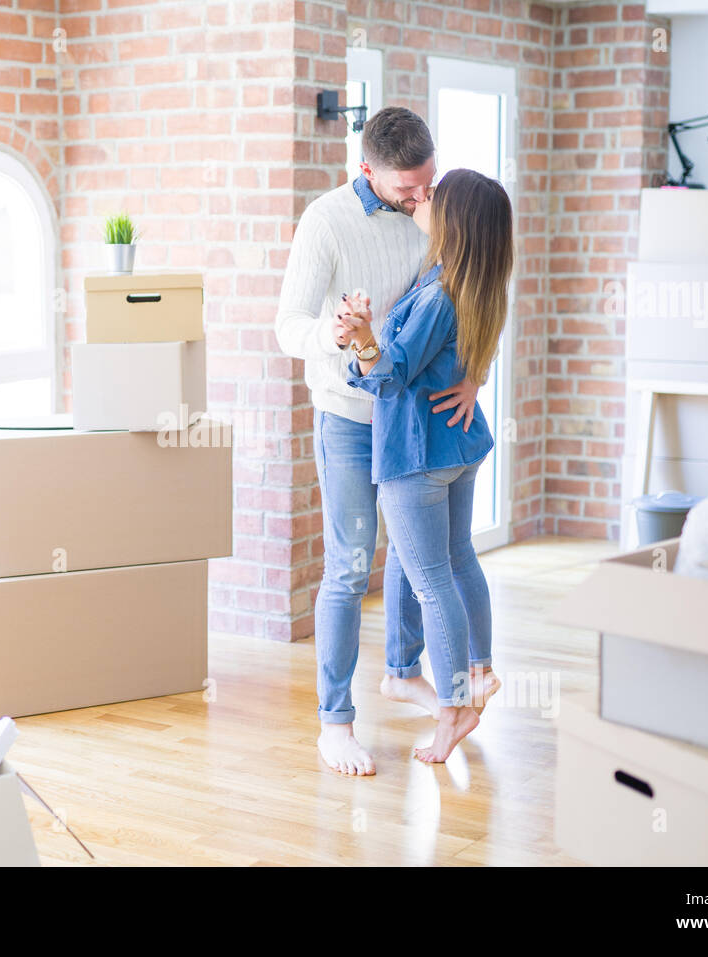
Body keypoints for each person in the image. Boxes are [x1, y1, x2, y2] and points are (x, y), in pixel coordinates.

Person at [274, 107, 478, 777]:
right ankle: (335, 721)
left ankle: (401, 671)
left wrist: (476, 374)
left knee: (414, 559)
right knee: (350, 565)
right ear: (367, 170)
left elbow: (473, 295)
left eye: (429, 184)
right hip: (349, 419)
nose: (424, 200)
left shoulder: (430, 214)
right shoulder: (325, 222)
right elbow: (288, 325)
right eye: (407, 190)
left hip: (412, 418)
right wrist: (335, 340)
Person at [342, 168, 513, 763]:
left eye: (436, 196)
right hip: (454, 449)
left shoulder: (439, 293)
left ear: (454, 223)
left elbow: (388, 374)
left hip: (414, 456)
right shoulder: (471, 284)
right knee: (451, 560)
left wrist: (363, 336)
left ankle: (455, 708)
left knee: (429, 579)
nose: (425, 198)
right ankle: (460, 669)